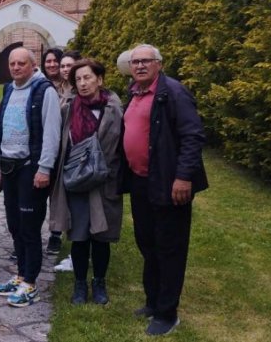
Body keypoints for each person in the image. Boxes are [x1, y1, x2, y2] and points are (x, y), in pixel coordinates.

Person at [121, 44, 207, 336]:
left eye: (146, 61)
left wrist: (183, 177)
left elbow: (193, 136)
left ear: (158, 63)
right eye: (135, 62)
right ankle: (153, 301)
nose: (140, 66)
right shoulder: (134, 92)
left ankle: (167, 314)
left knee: (170, 247)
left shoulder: (174, 92)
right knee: (147, 242)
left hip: (168, 182)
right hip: (141, 181)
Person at [0, 47, 61, 307]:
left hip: (31, 168)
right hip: (9, 167)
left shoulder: (45, 91)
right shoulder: (9, 89)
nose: (16, 67)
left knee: (29, 228)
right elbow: (4, 130)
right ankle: (21, 275)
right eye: (12, 63)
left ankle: (30, 283)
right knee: (15, 225)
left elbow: (52, 133)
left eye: (22, 63)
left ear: (33, 65)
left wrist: (44, 168)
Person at [56, 58, 124, 306]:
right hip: (77, 179)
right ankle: (80, 284)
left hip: (105, 180)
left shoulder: (114, 109)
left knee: (101, 236)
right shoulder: (68, 109)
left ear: (100, 79)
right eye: (78, 79)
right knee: (79, 235)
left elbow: (122, 146)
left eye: (87, 77)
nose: (82, 83)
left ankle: (99, 282)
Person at [46, 50, 81, 254]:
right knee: (53, 192)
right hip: (55, 146)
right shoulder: (56, 89)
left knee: (69, 193)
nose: (65, 69)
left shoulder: (81, 89)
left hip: (74, 148)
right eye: (63, 66)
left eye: (69, 65)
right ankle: (55, 232)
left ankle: (66, 235)